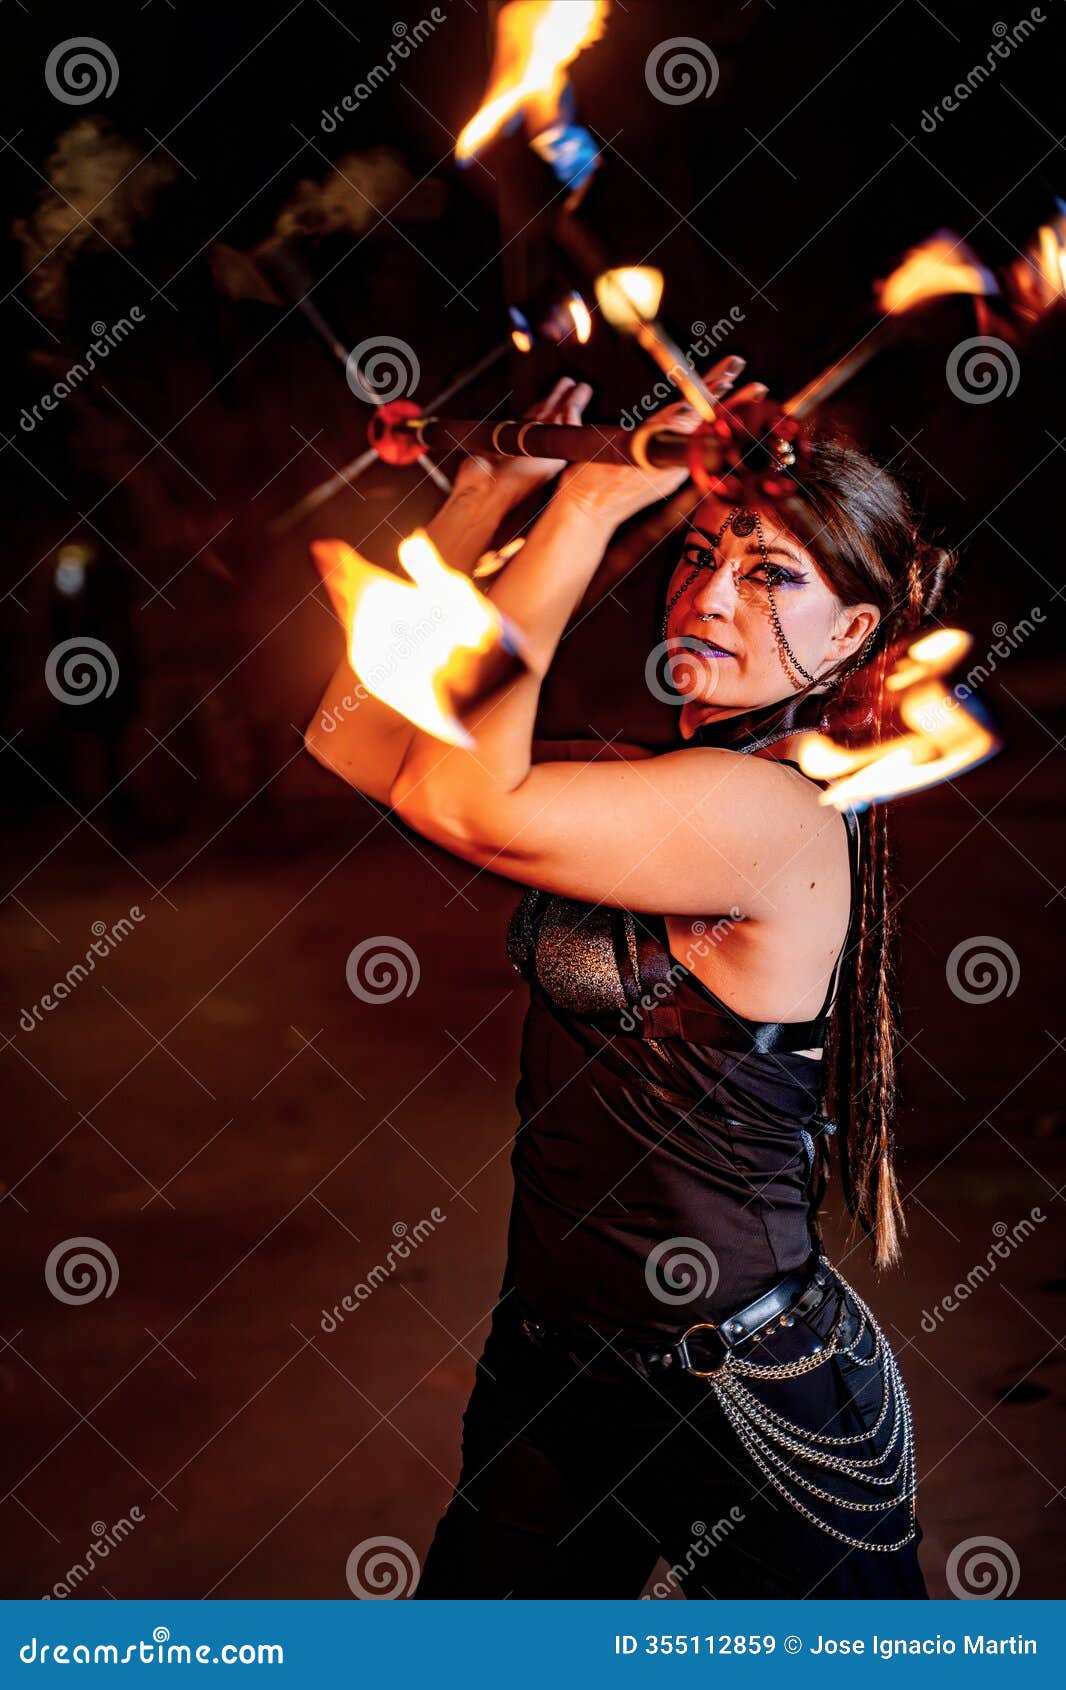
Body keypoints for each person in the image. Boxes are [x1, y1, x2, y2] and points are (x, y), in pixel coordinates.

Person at [306, 358, 951, 1598]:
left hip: (747, 1407)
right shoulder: (642, 783)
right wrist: (483, 496)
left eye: (770, 577)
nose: (710, 593)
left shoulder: (776, 816)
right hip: (551, 1375)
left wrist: (585, 509)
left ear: (852, 635)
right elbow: (351, 737)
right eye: (701, 553)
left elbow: (469, 799)